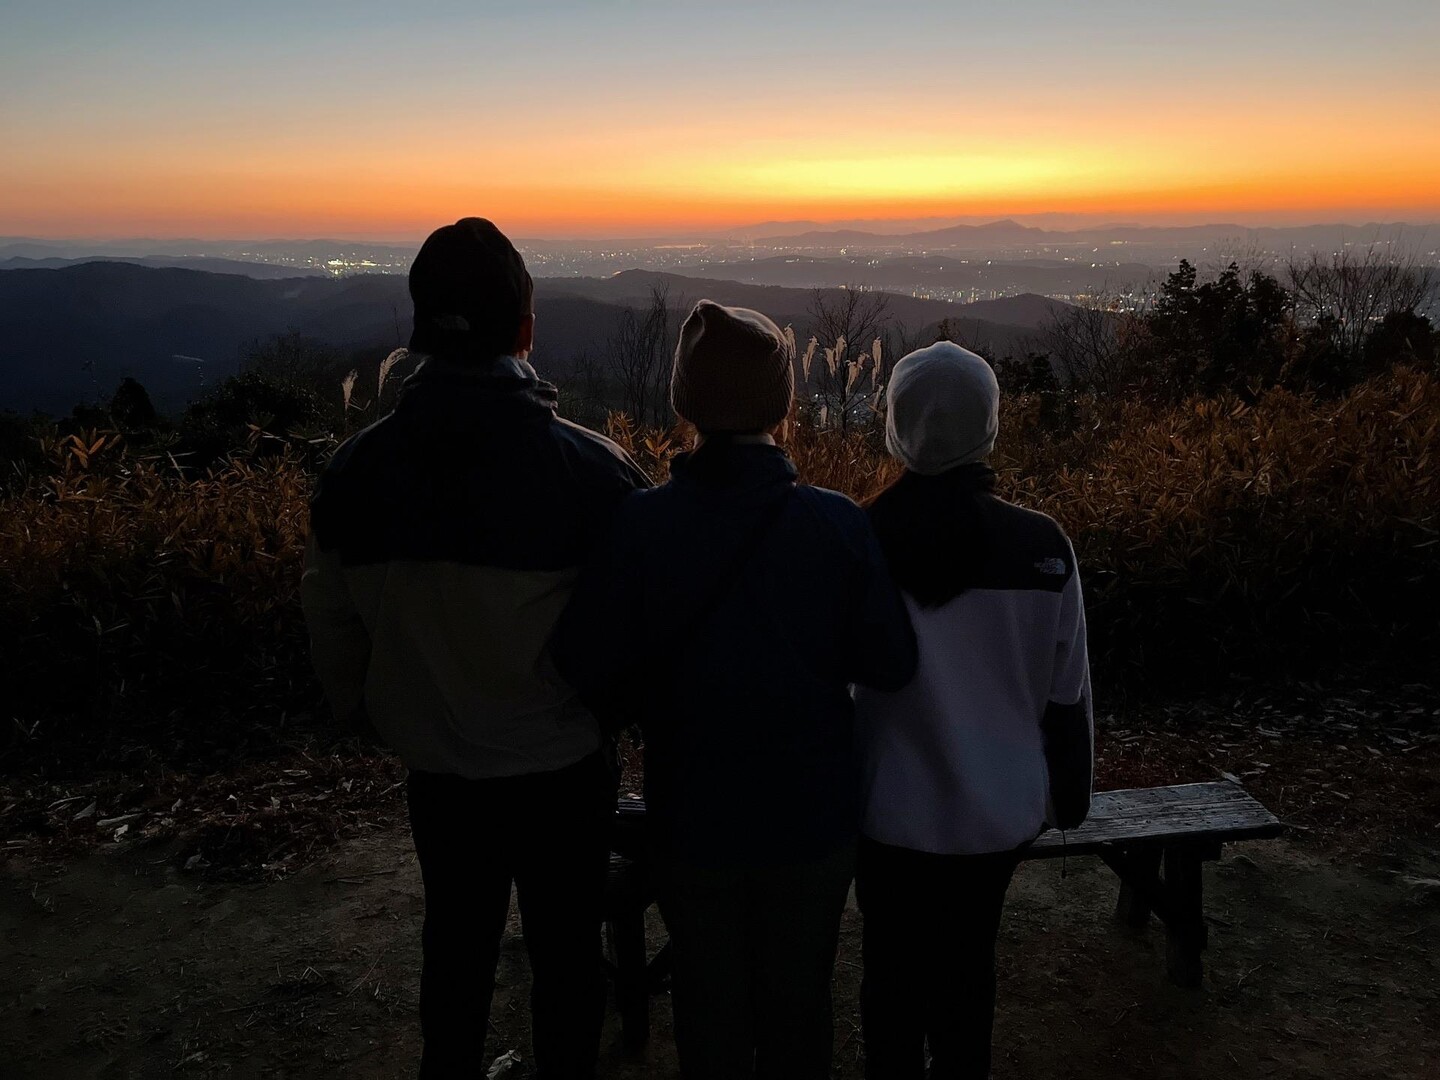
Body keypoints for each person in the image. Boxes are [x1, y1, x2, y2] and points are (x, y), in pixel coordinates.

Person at [300, 217, 650, 1079]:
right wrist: (612, 715)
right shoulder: (595, 475)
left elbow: (332, 619)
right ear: (526, 331)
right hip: (562, 765)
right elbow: (632, 633)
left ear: (415, 332)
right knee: (568, 951)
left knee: (455, 940)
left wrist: (363, 707)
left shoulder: (355, 473)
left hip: (439, 766)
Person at [551, 299, 917, 1080]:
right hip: (813, 819)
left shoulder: (639, 527)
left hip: (693, 819)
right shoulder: (838, 526)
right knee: (798, 1011)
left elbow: (585, 666)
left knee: (709, 1014)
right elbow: (890, 663)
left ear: (685, 401)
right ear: (782, 402)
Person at [852, 341, 1094, 1080]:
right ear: (990, 428)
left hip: (883, 816)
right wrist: (1070, 800)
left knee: (888, 976)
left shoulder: (856, 539)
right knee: (967, 974)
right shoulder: (1042, 549)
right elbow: (1068, 696)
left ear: (895, 429)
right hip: (997, 818)